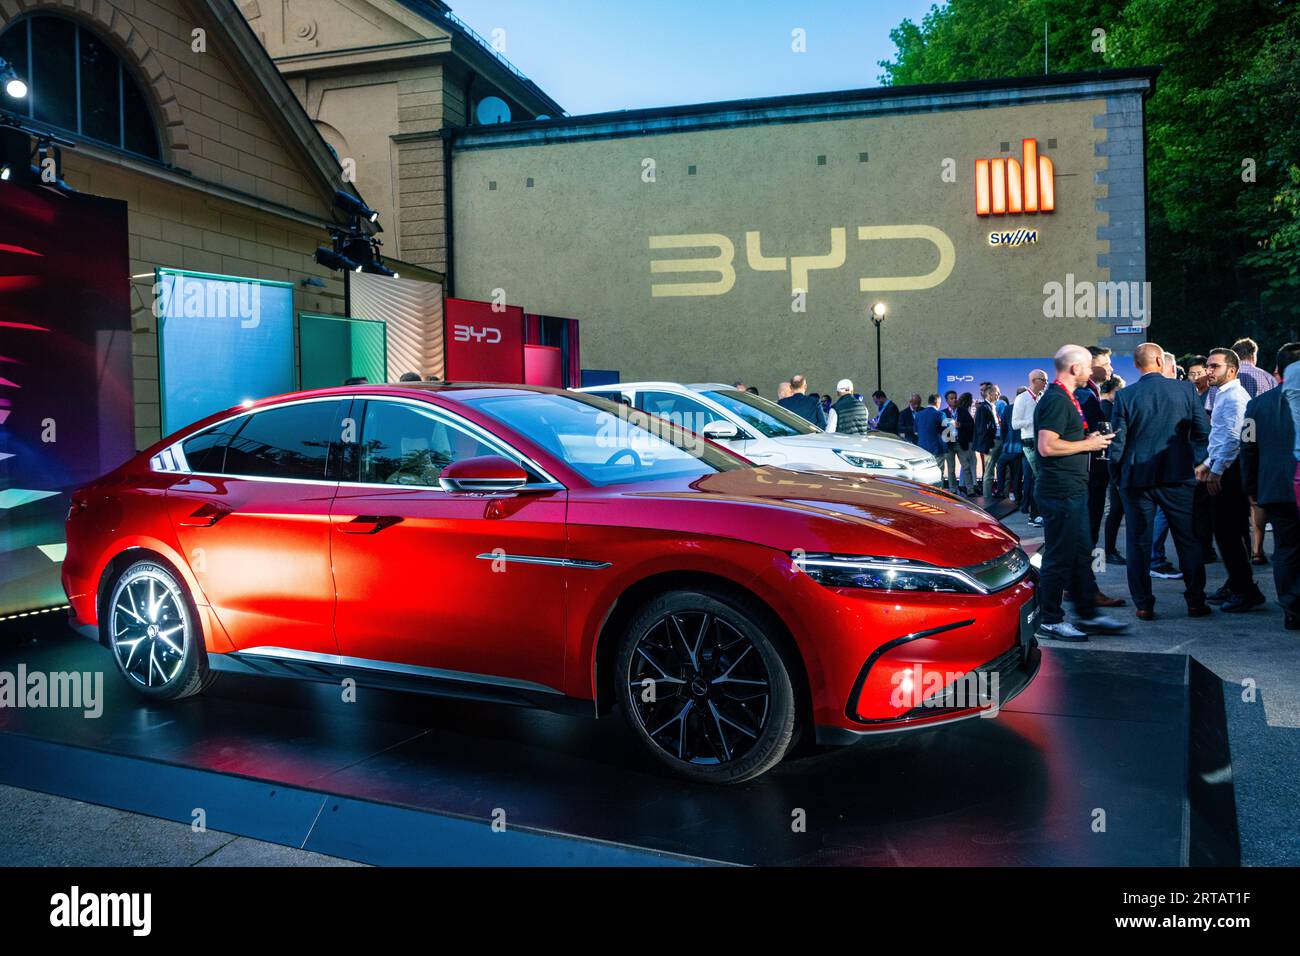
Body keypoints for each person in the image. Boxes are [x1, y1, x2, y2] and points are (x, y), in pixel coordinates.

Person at [1108, 343, 1211, 620]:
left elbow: (1117, 443)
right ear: (1158, 359)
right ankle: (1195, 601)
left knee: (1138, 543)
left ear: (1137, 365)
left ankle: (1144, 604)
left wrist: (1117, 477)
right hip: (1178, 476)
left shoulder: (1126, 395)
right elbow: (1203, 432)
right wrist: (1194, 462)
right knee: (1187, 539)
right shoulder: (1186, 390)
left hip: (1136, 478)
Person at [1033, 344, 1126, 641]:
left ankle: (1088, 615)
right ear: (1075, 369)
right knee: (1059, 557)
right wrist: (1087, 445)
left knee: (1079, 554)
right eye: (1087, 366)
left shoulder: (1066, 397)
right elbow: (1047, 446)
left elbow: (1062, 439)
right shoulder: (1057, 399)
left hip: (1073, 490)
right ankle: (1050, 619)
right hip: (1060, 491)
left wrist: (1087, 438)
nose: (1093, 371)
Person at [1196, 347, 1266, 611]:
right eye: (1209, 366)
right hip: (1225, 467)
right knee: (1229, 532)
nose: (1209, 371)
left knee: (1228, 532)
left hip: (1231, 472)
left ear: (1232, 370)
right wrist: (1206, 463)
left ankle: (1245, 589)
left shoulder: (1235, 397)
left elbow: (1233, 439)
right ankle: (1237, 583)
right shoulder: (1224, 394)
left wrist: (1216, 469)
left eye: (1215, 366)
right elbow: (1220, 437)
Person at [1240, 342, 1300, 629]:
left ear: (1278, 372)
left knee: (1286, 549)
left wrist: (1251, 487)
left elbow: (1248, 448)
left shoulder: (1257, 405)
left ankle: (1292, 609)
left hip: (1276, 489)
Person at [1012, 369, 1048, 526]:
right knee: (1039, 477)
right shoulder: (1022, 398)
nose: (1046, 383)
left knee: (1038, 478)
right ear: (1034, 381)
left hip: (1041, 440)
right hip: (1029, 441)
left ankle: (1038, 513)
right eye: (1043, 380)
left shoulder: (1041, 397)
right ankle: (1034, 515)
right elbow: (1015, 424)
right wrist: (1033, 422)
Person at [1099, 376, 1127, 564]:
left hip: (1110, 461)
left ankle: (1110, 550)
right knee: (1116, 509)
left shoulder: (1105, 405)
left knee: (1116, 509)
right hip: (1112, 462)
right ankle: (1109, 550)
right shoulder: (1108, 407)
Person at [974, 383, 1001, 499]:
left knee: (999, 470)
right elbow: (981, 430)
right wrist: (988, 445)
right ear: (990, 394)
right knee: (989, 472)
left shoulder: (992, 406)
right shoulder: (983, 408)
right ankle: (987, 498)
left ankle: (997, 494)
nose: (999, 394)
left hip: (997, 442)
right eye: (997, 392)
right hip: (991, 444)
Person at [914, 394, 946, 470]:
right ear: (937, 402)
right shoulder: (940, 414)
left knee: (925, 472)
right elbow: (946, 431)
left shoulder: (918, 415)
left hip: (922, 449)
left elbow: (916, 432)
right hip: (937, 450)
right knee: (938, 473)